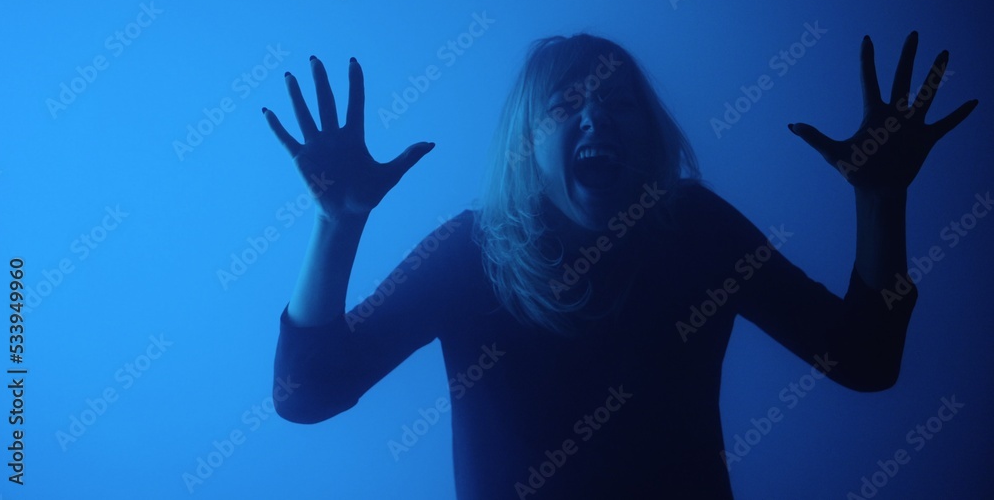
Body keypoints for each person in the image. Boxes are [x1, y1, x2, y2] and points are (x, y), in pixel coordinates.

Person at [262, 32, 978, 499]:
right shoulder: (470, 251)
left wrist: (881, 201)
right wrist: (338, 223)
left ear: (651, 133)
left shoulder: (696, 231)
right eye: (566, 102)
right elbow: (307, 393)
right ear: (526, 140)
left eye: (618, 103)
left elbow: (864, 359)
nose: (596, 119)